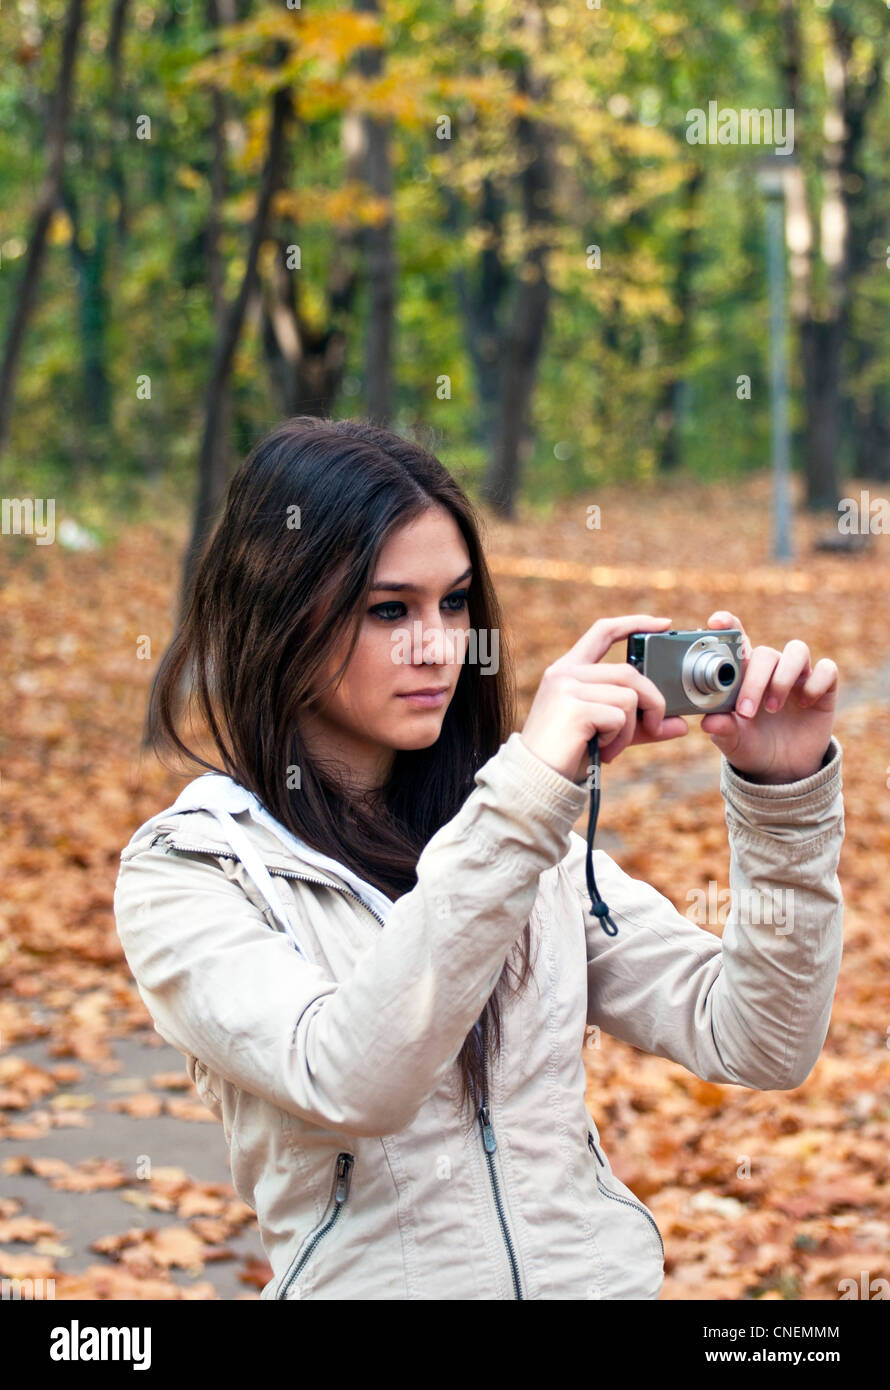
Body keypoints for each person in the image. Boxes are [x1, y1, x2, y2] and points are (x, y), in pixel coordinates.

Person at [113, 415, 844, 1300]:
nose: (438, 646)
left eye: (454, 603)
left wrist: (783, 798)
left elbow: (758, 1039)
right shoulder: (192, 870)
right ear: (277, 613)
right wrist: (528, 793)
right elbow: (352, 1078)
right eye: (390, 609)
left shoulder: (512, 830)